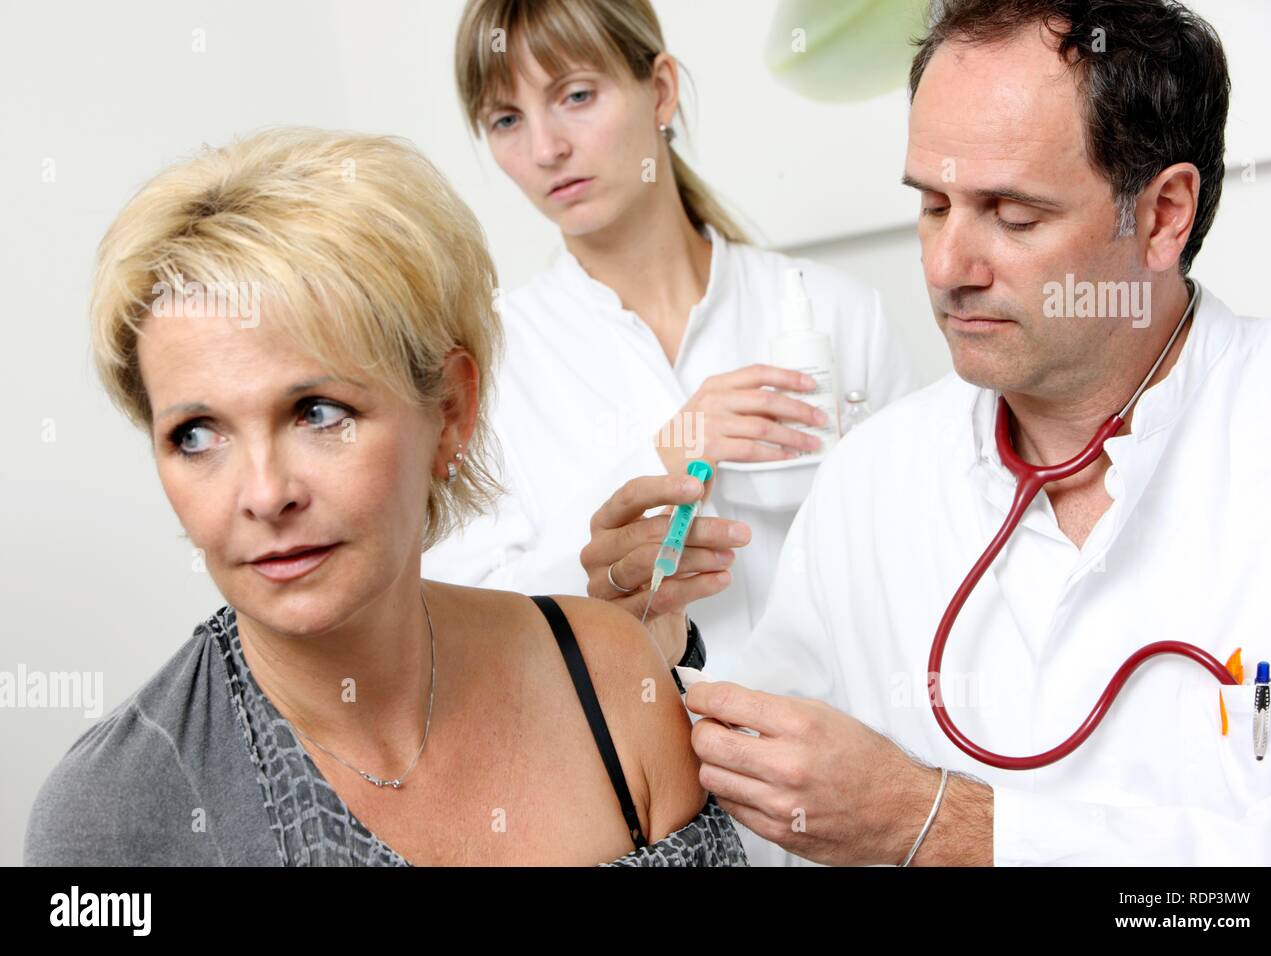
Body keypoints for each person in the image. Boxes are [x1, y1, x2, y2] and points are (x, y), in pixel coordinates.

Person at [616, 0, 1271, 865]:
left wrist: (938, 825)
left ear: (1163, 216)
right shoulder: (872, 480)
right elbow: (759, 816)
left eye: (1012, 215)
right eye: (934, 205)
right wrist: (643, 652)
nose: (945, 269)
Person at [23, 126, 747, 867]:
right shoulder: (111, 816)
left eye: (317, 413)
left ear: (452, 411)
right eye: (198, 434)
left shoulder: (609, 676)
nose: (265, 495)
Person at [422, 0, 921, 679]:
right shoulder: (489, 367)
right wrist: (663, 453)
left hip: (831, 762)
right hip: (615, 773)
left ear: (659, 90)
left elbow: (918, 571)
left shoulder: (839, 313)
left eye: (575, 96)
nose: (546, 149)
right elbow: (463, 624)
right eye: (507, 120)